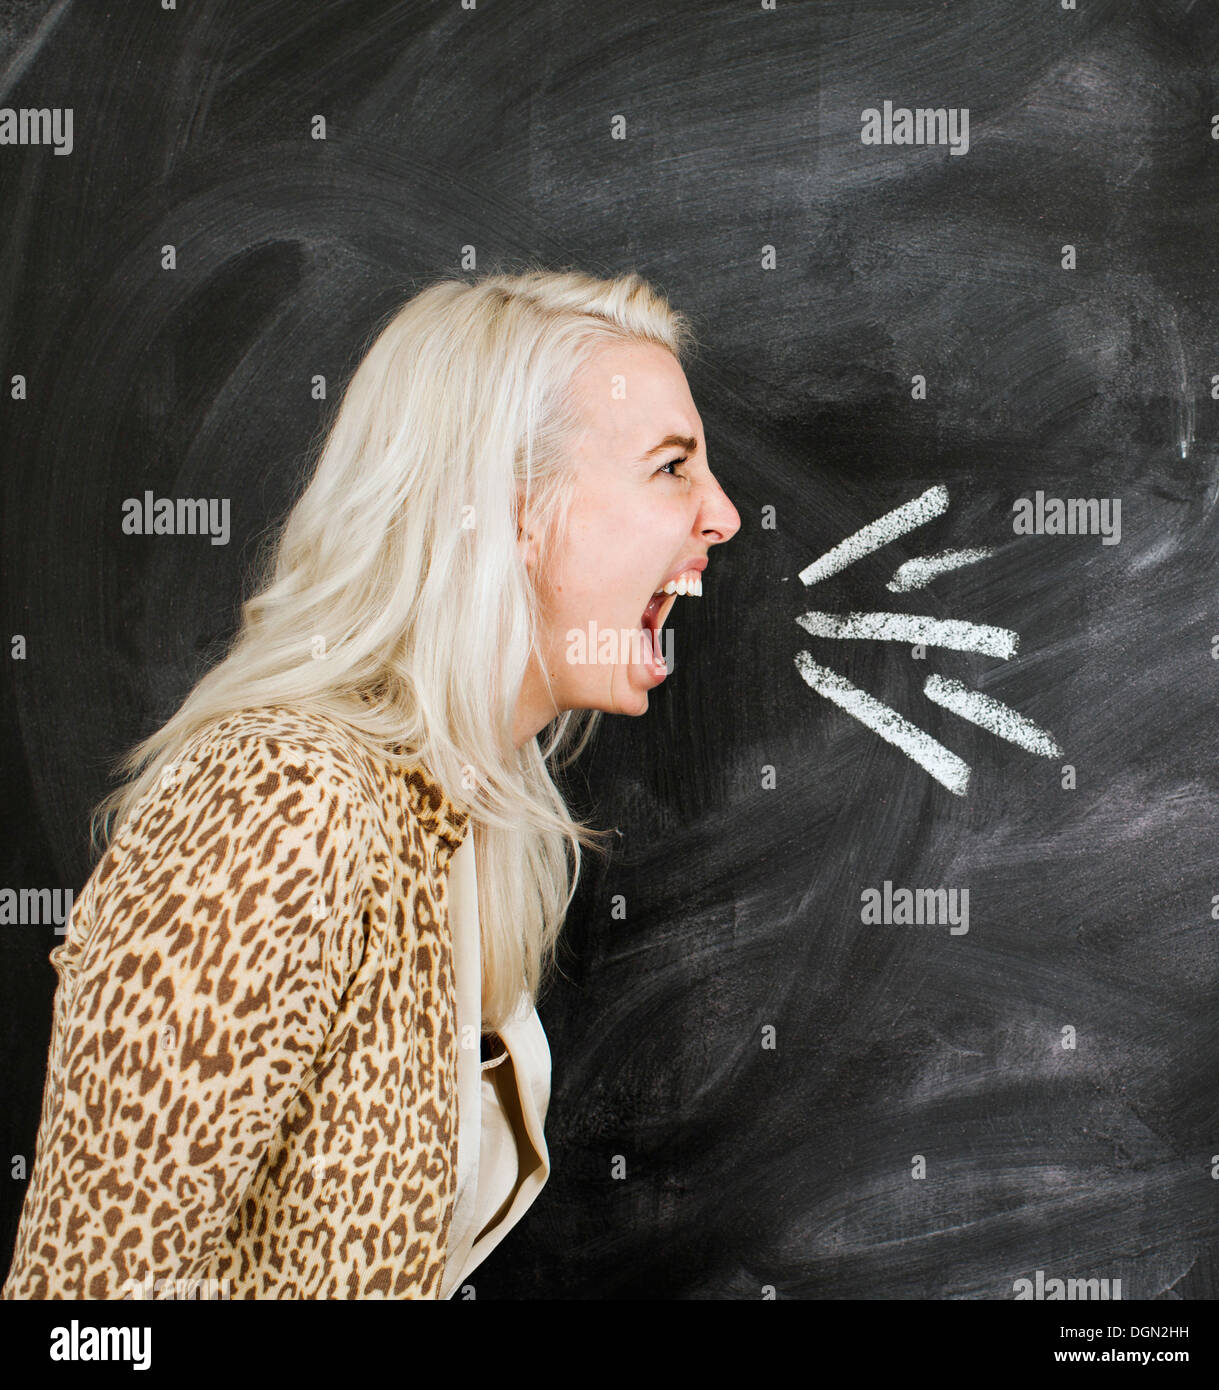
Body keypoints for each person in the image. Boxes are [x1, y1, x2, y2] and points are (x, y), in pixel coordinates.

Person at [1, 267, 741, 1300]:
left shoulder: (456, 811)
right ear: (511, 509)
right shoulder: (281, 801)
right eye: (671, 467)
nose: (725, 514)